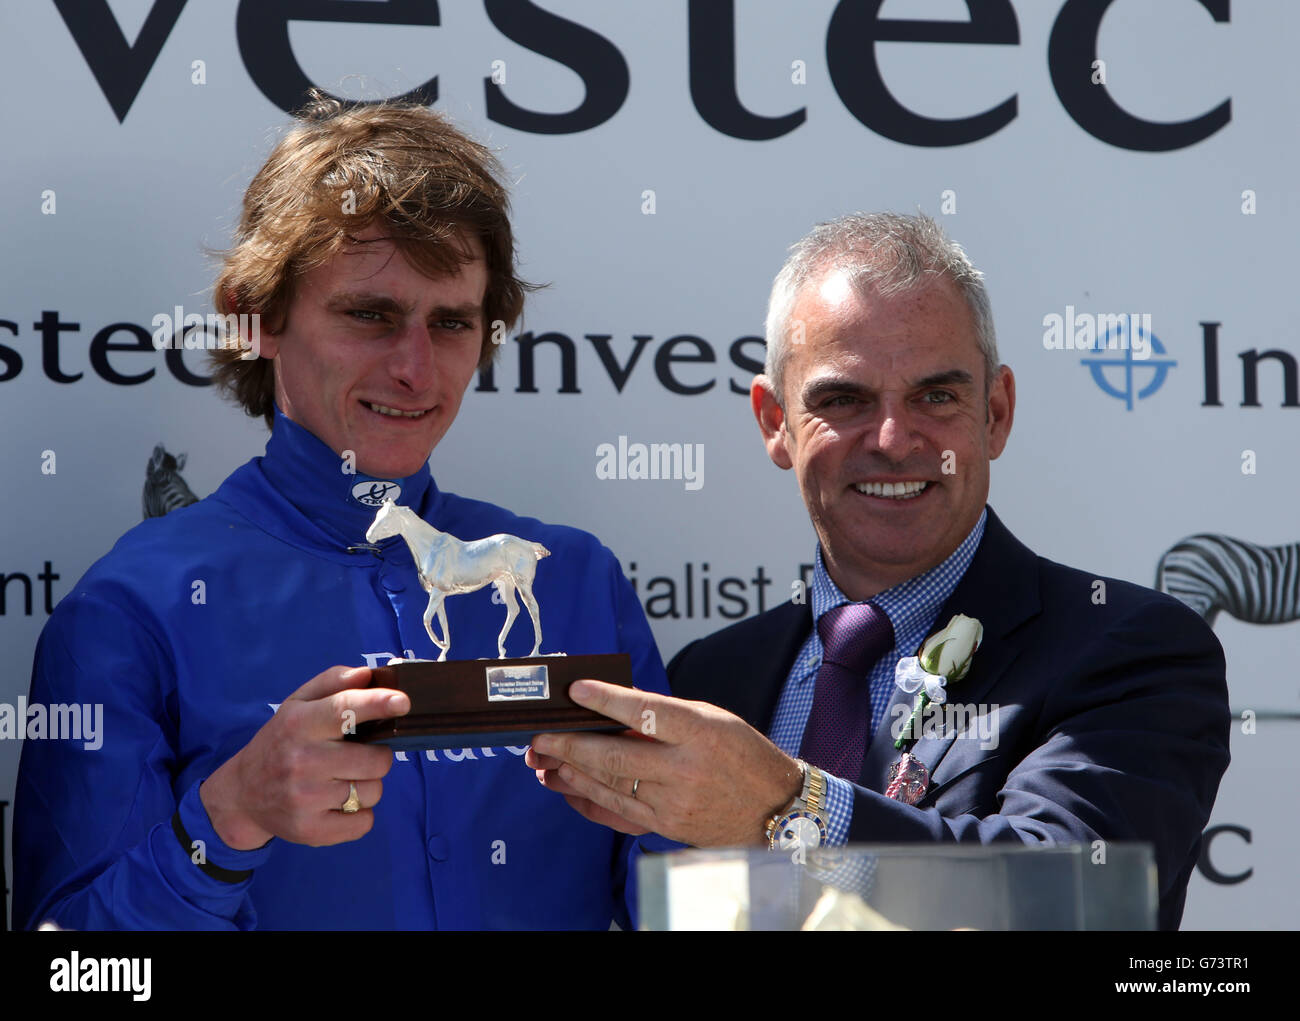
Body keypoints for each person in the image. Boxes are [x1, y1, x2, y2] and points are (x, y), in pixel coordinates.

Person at [13, 94, 669, 930]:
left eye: (452, 322)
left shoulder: (580, 580)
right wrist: (225, 821)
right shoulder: (133, 606)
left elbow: (691, 903)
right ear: (259, 317)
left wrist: (706, 817)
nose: (415, 368)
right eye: (371, 314)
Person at [528, 212, 1231, 930]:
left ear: (995, 412)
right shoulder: (712, 678)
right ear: (775, 422)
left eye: (935, 395)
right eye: (844, 400)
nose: (894, 440)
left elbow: (1067, 902)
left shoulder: (1133, 650)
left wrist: (787, 807)